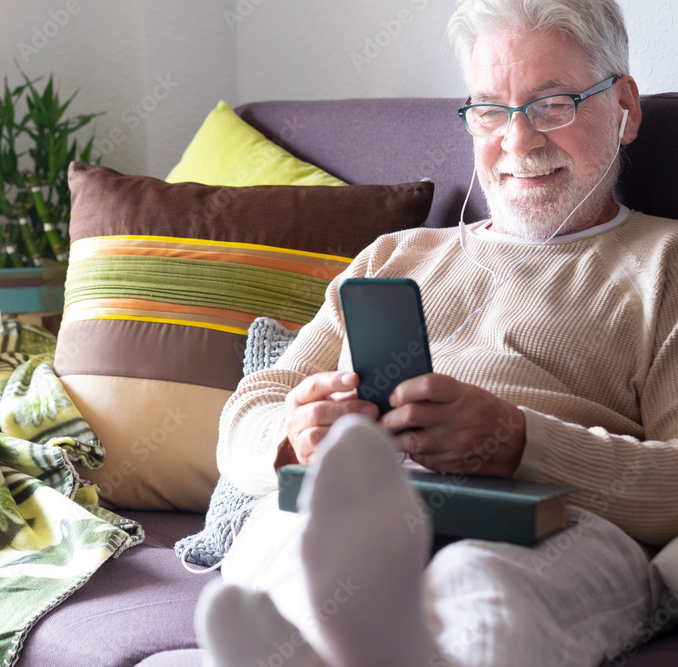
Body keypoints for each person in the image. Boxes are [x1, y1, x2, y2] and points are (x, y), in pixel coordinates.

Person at [195, 1, 678, 665]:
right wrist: (294, 435)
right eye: (489, 109)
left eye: (553, 103)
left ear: (624, 105)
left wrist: (519, 442)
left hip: (549, 520)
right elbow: (248, 411)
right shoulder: (395, 257)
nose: (518, 140)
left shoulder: (665, 264)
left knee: (476, 584)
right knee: (289, 543)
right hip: (366, 503)